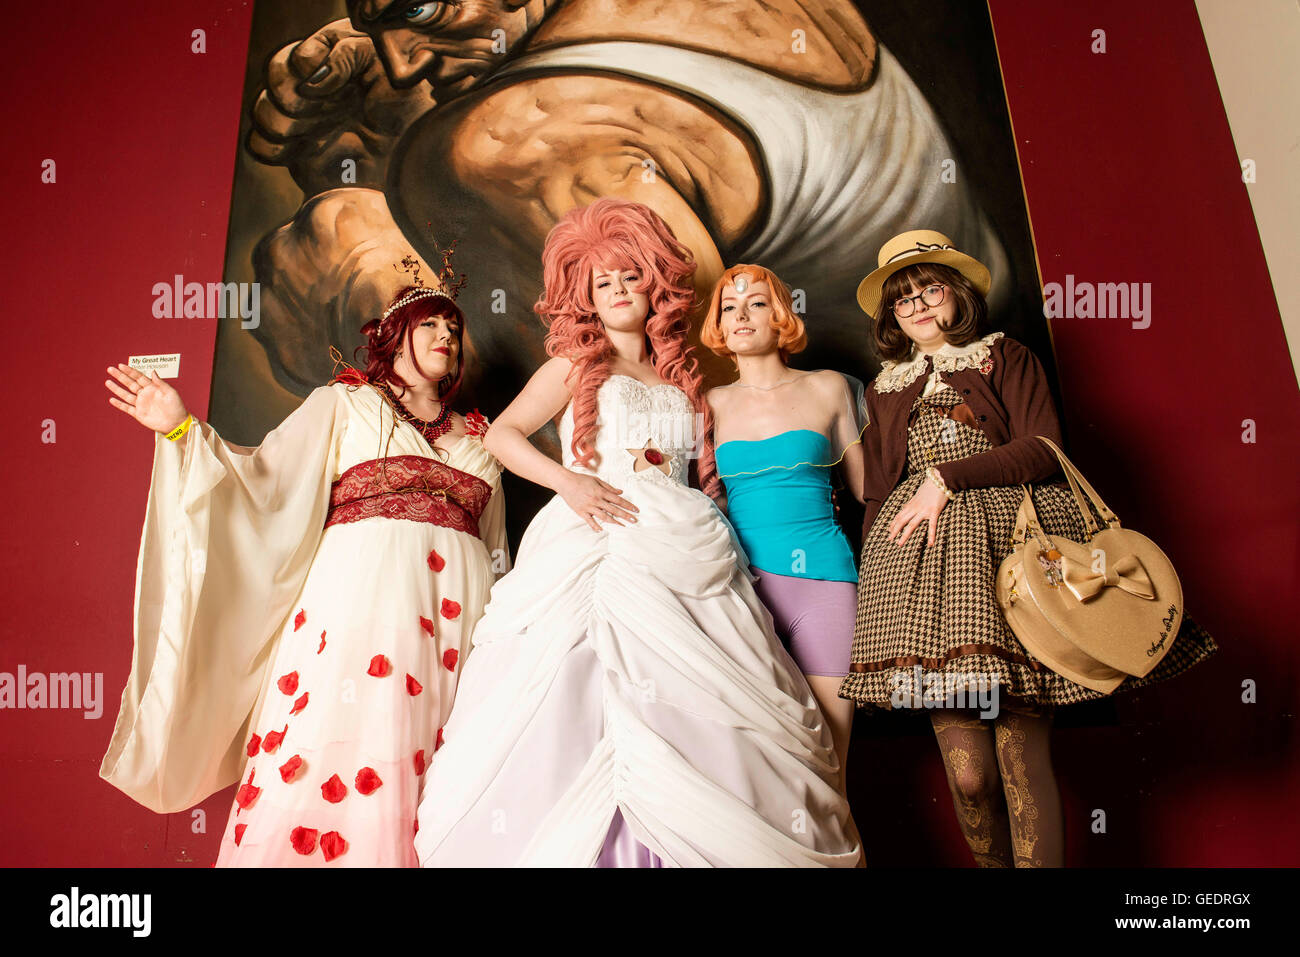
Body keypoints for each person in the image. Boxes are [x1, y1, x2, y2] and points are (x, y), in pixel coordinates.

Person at [413, 198, 860, 867]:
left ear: (654, 281)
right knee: (574, 689)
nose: (619, 290)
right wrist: (570, 482)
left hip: (681, 543)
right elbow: (503, 434)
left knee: (701, 703)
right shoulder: (573, 365)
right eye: (603, 281)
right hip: (594, 536)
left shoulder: (682, 378)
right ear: (584, 296)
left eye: (630, 276)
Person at [840, 230, 1218, 867]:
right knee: (970, 778)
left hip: (1013, 552)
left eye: (930, 288)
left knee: (1022, 766)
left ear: (956, 293)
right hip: (923, 576)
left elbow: (1044, 448)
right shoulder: (884, 387)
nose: (919, 306)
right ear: (891, 317)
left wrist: (945, 480)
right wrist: (875, 582)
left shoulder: (1005, 355)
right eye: (903, 299)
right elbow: (880, 492)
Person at [99, 281, 508, 867]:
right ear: (394, 336)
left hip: (456, 631)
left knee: (444, 764)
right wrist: (181, 429)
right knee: (357, 741)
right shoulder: (342, 404)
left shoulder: (483, 436)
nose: (446, 336)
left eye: (454, 329)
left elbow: (496, 551)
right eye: (430, 324)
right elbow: (262, 483)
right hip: (361, 618)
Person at [701, 264, 865, 788]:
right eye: (729, 307)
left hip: (828, 584)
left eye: (756, 303)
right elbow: (698, 502)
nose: (741, 315)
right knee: (761, 763)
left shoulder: (830, 388)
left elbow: (870, 494)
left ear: (781, 315)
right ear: (719, 327)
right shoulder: (706, 405)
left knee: (832, 765)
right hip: (739, 591)